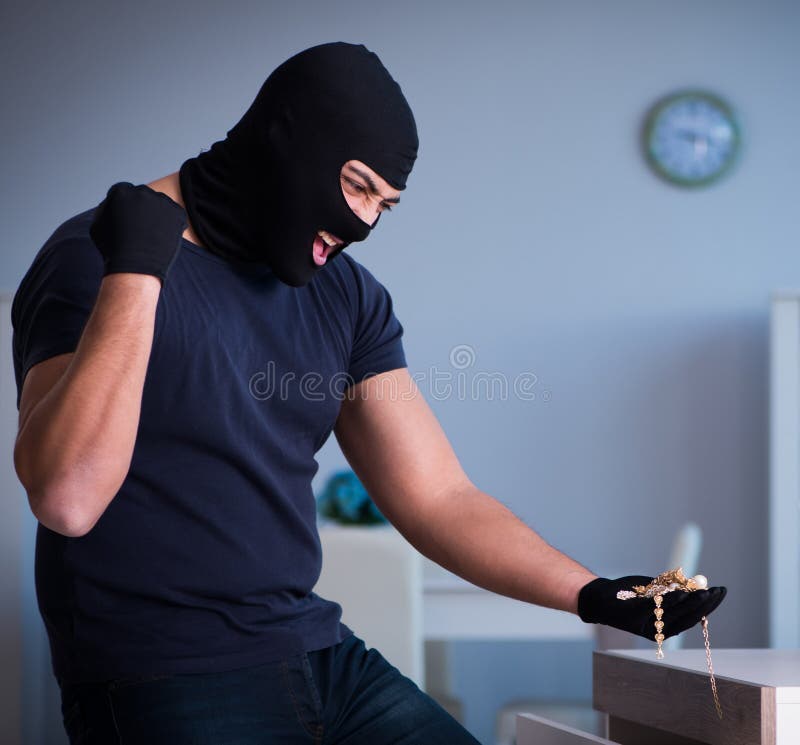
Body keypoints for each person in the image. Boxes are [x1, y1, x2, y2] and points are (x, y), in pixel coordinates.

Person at [10, 42, 726, 745]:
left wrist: (592, 593)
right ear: (285, 144)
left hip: (321, 657)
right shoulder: (98, 254)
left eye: (385, 204)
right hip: (163, 673)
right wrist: (136, 268)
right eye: (356, 186)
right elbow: (67, 498)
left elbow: (438, 496)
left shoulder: (346, 295)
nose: (364, 224)